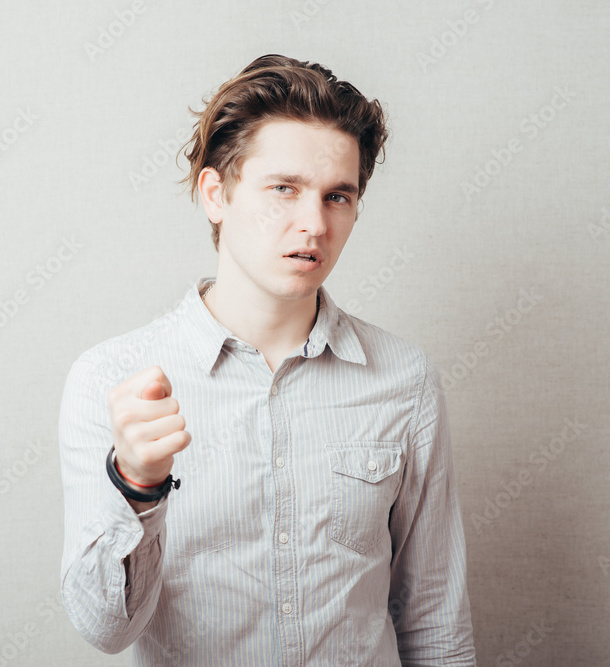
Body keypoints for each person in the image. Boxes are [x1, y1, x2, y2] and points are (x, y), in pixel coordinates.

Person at [58, 53, 476, 666]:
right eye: (284, 189)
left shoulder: (404, 382)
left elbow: (436, 617)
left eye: (338, 197)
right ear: (215, 194)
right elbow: (104, 630)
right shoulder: (111, 379)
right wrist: (136, 486)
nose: (313, 224)